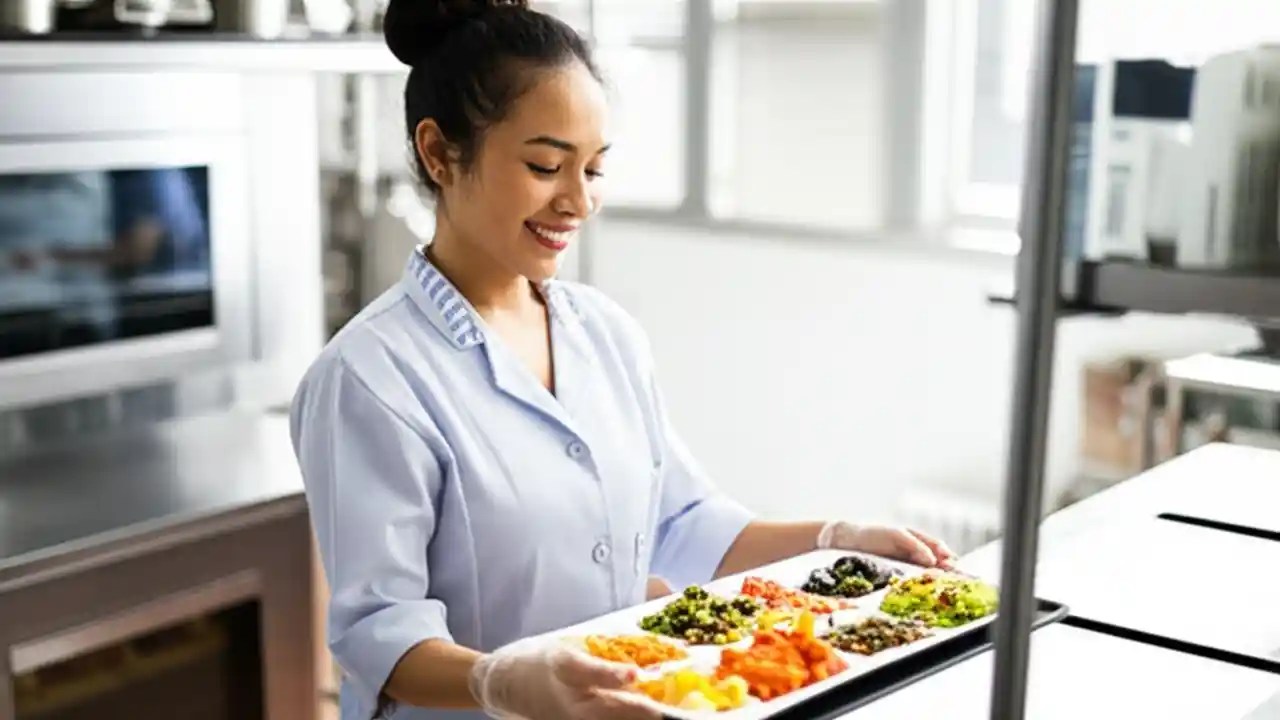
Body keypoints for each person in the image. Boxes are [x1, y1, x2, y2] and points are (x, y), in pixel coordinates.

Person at [288, 2, 956, 719]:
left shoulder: (604, 334)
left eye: (595, 168)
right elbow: (377, 633)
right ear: (439, 152)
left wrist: (833, 540)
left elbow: (686, 523)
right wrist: (501, 682)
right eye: (546, 165)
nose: (578, 201)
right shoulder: (369, 378)